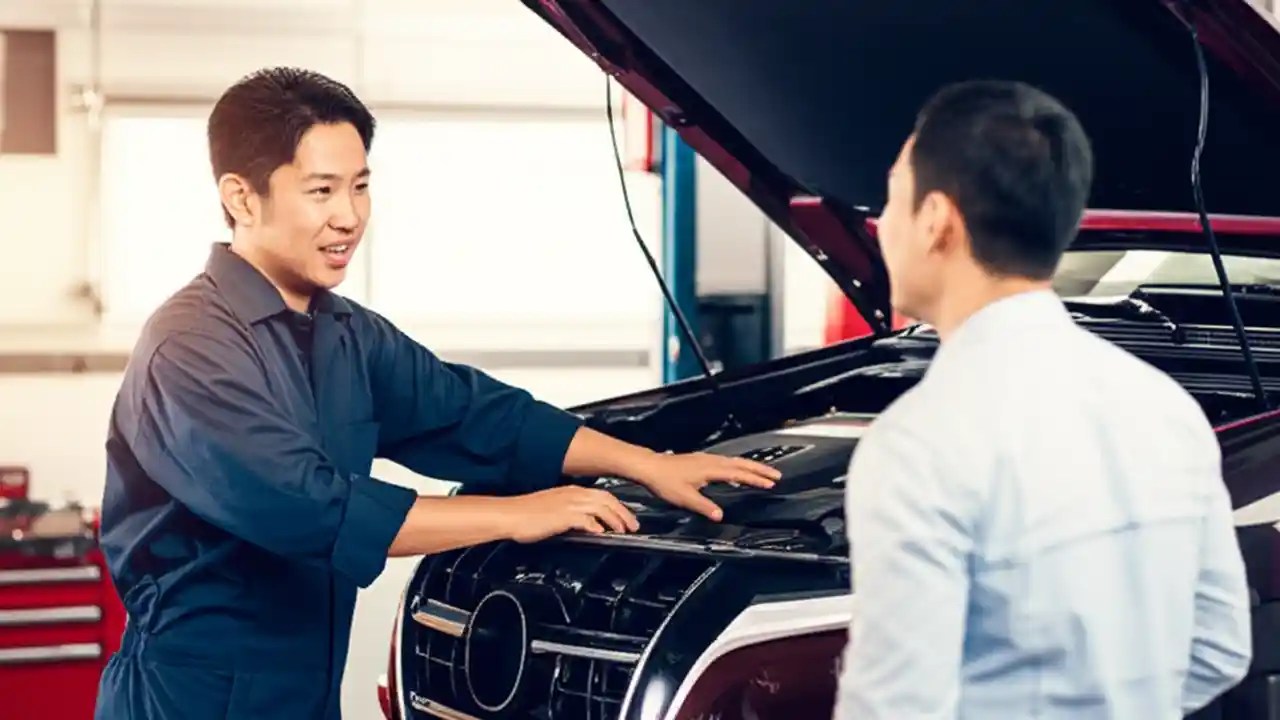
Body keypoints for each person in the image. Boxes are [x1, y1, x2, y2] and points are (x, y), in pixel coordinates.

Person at [93, 67, 781, 720]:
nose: (349, 217)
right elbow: (309, 508)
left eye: (360, 187)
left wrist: (648, 463)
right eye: (322, 190)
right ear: (243, 197)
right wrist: (515, 514)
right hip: (189, 696)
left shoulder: (345, 335)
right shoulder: (189, 347)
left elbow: (480, 415)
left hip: (304, 692)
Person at [834, 80, 1252, 719]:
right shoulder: (1165, 408)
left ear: (936, 221)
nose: (878, 223)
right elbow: (1220, 648)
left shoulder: (920, 443)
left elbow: (894, 708)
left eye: (891, 197)